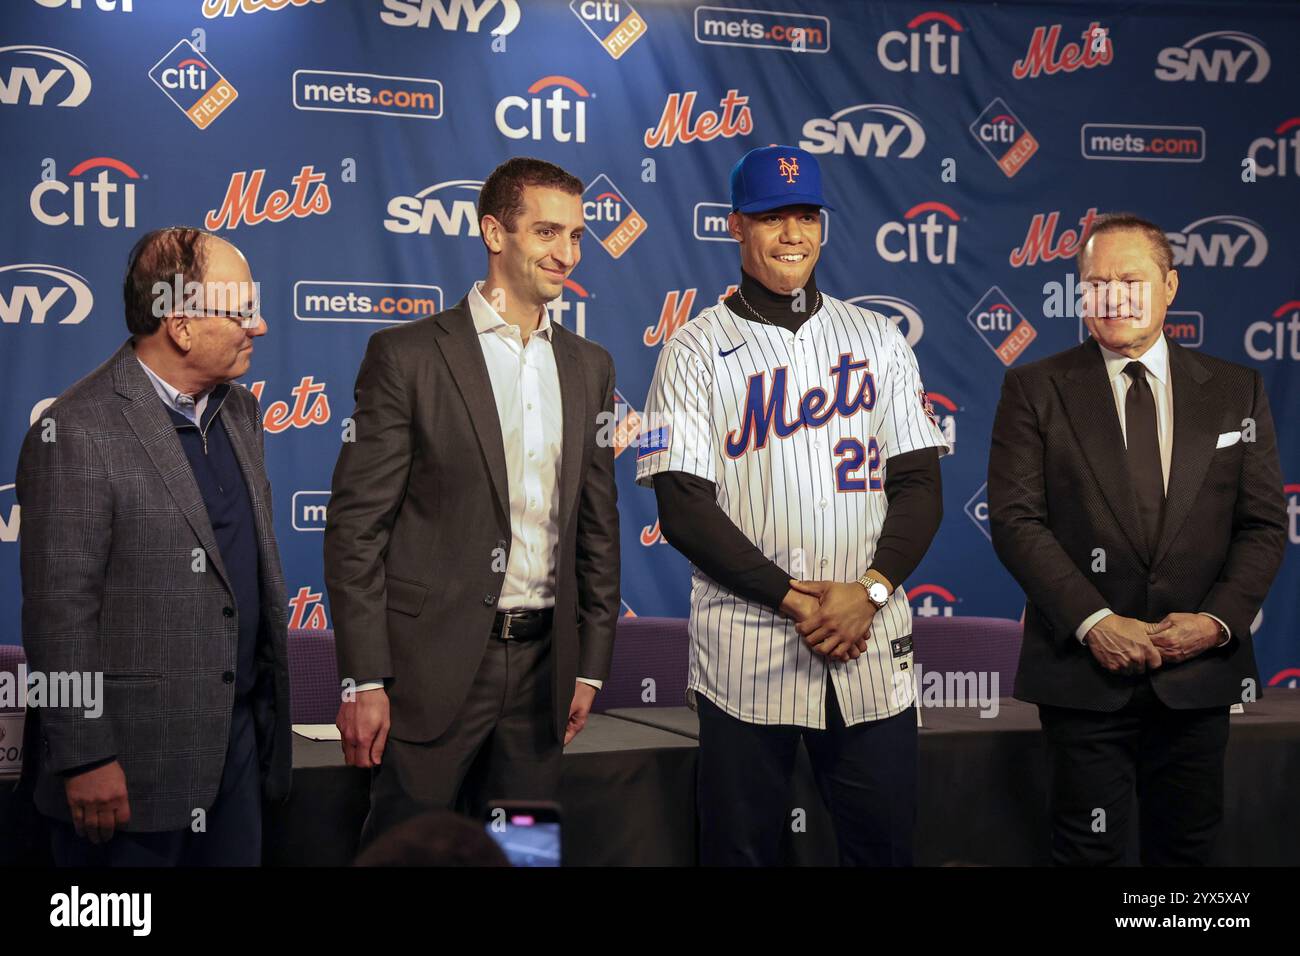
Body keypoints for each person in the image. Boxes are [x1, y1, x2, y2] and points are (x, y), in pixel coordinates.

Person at [635, 145, 948, 865]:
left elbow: (919, 485)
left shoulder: (878, 339)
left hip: (868, 643)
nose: (792, 234)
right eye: (772, 217)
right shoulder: (689, 350)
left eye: (805, 216)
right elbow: (683, 508)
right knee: (741, 855)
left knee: (884, 851)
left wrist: (867, 593)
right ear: (735, 227)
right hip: (749, 648)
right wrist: (796, 601)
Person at [326, 157, 620, 846]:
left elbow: (597, 525)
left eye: (577, 236)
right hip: (429, 671)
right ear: (494, 231)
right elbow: (356, 530)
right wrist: (363, 678)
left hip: (546, 671)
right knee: (408, 850)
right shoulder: (407, 357)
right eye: (548, 231)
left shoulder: (591, 366)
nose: (566, 253)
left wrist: (591, 665)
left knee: (522, 851)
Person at [988, 212, 1287, 866]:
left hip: (1200, 676)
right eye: (1096, 283)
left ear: (1170, 286)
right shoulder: (1034, 388)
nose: (1113, 297)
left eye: (1131, 280)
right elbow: (1015, 521)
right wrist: (1094, 621)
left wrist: (1215, 622)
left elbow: (1264, 524)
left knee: (1186, 856)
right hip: (1082, 675)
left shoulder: (1238, 388)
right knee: (1087, 851)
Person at [18, 227, 290, 866]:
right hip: (128, 773)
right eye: (243, 310)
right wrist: (84, 755)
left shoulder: (242, 414)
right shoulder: (78, 431)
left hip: (236, 752)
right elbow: (58, 617)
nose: (261, 326)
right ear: (182, 324)